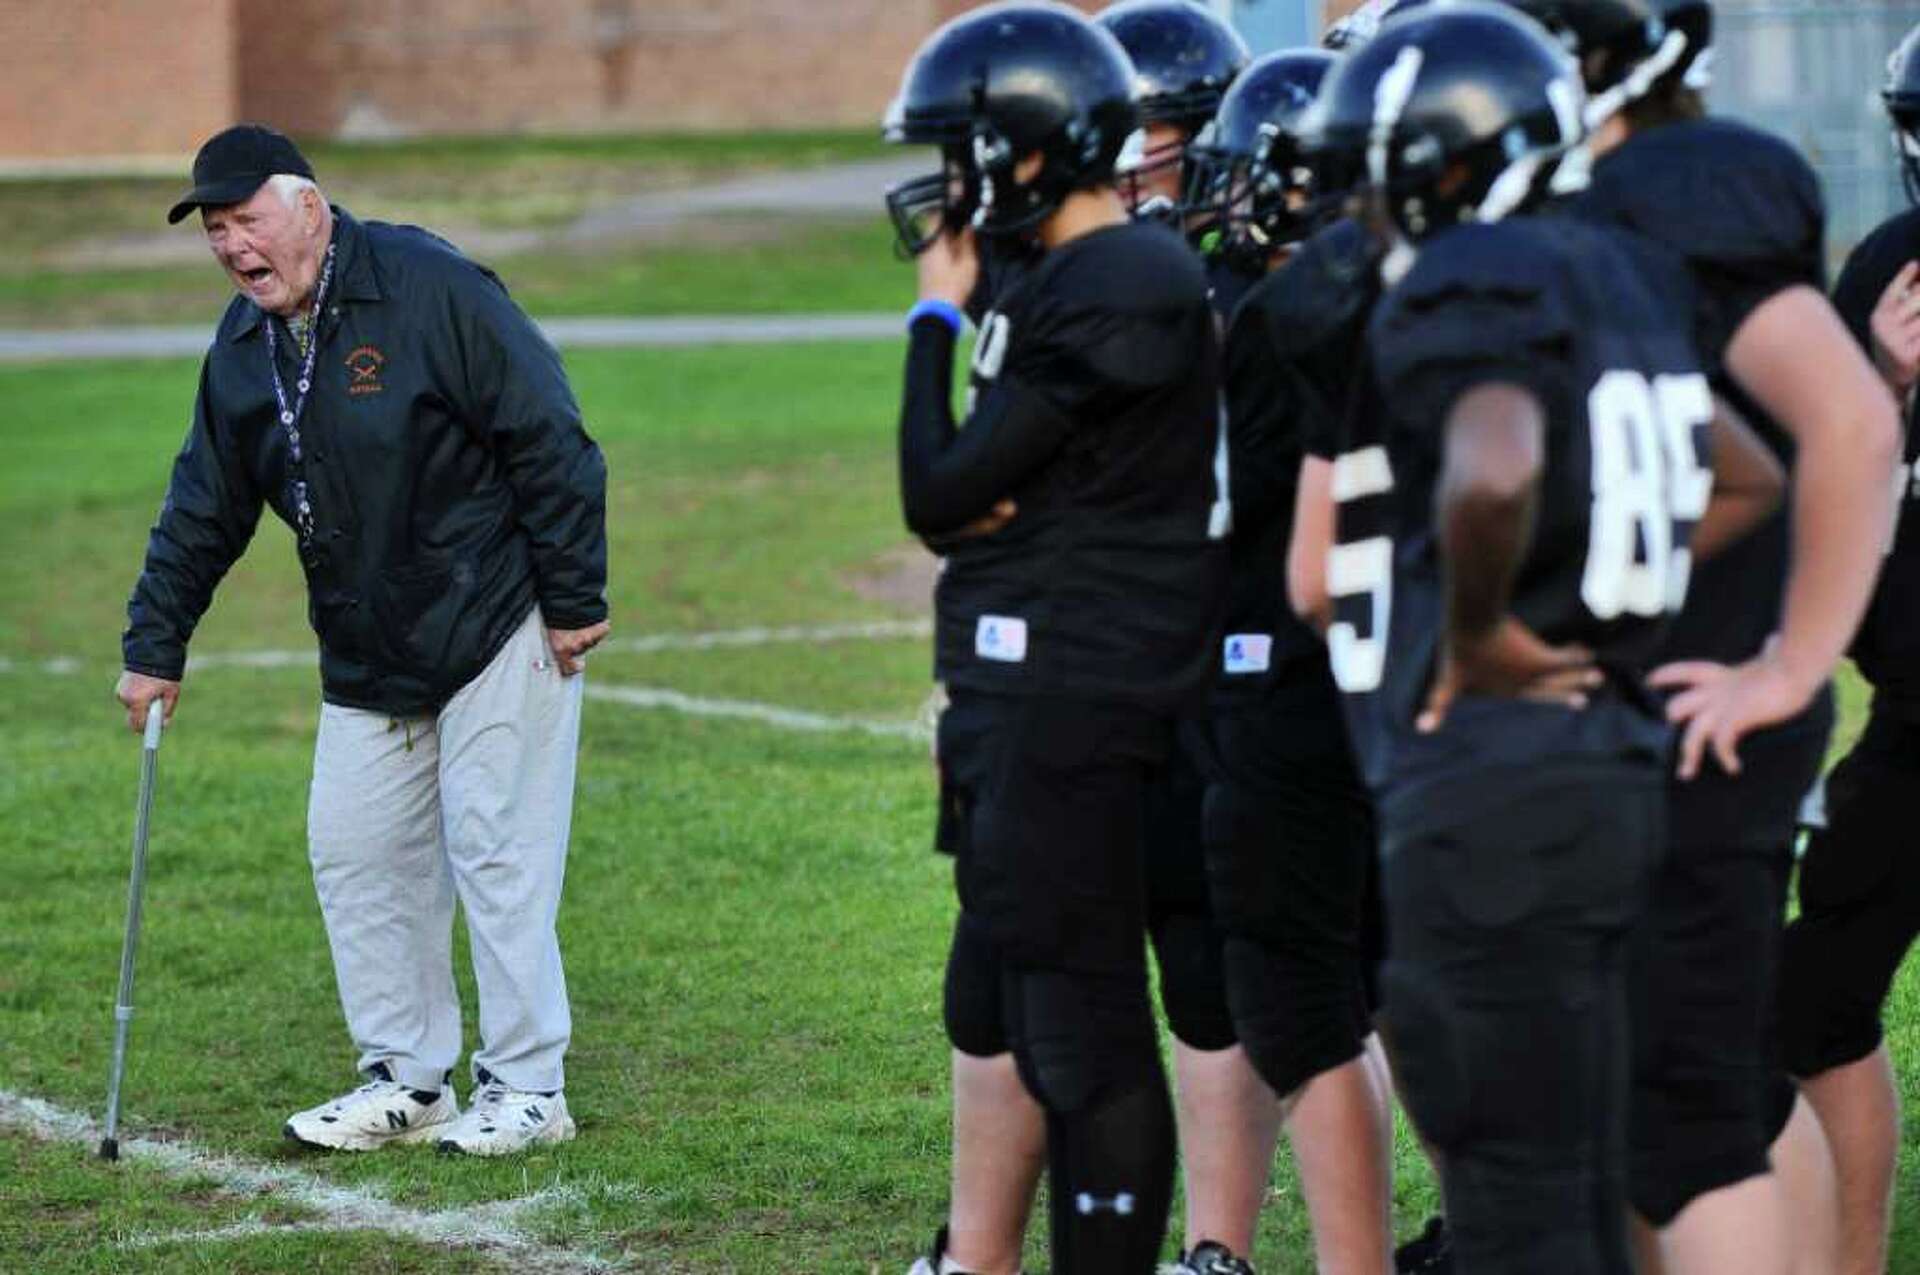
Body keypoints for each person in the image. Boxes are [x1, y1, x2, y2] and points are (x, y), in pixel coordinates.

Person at [1311, 5, 1784, 1268]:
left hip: (1493, 786)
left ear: (1443, 168)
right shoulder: (1620, 269)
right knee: (1581, 1182)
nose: (1364, 210)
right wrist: (1592, 594)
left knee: (1512, 1197)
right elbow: (1746, 472)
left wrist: (1488, 634)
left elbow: (1496, 465)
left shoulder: (1470, 275)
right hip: (1609, 784)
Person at [115, 123, 609, 1157]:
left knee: (498, 851)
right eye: (214, 230)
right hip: (365, 641)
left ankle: (529, 1087)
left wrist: (573, 596)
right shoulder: (243, 349)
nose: (232, 245)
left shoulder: (431, 287)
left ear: (308, 205)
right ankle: (408, 1079)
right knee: (356, 852)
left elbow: (548, 434)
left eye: (245, 219)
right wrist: (156, 643)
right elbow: (203, 504)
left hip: (493, 615)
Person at [1512, 2, 1902, 1270]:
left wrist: (1790, 664)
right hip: (1613, 696)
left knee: (1700, 1093)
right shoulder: (1568, 202)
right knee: (1638, 1082)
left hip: (1698, 702)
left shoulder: (1684, 190)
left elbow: (1851, 424)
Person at [884, 5, 1228, 1271]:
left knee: (1086, 1036)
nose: (950, 183)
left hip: (1080, 692)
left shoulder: (1125, 277)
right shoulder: (1061, 277)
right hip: (1026, 683)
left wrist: (933, 319)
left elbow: (938, 487)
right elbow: (965, 500)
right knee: (1025, 1010)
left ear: (1024, 148)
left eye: (962, 149)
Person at [1182, 46, 1397, 1275]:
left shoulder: (1289, 310)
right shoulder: (1407, 288)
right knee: (1381, 987)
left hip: (1286, 672)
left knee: (1302, 1007)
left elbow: (1254, 525)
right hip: (1382, 673)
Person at [1773, 21, 1920, 1275]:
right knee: (1810, 1007)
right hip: (1913, 724)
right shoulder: (1888, 270)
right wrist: (1879, 380)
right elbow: (1808, 489)